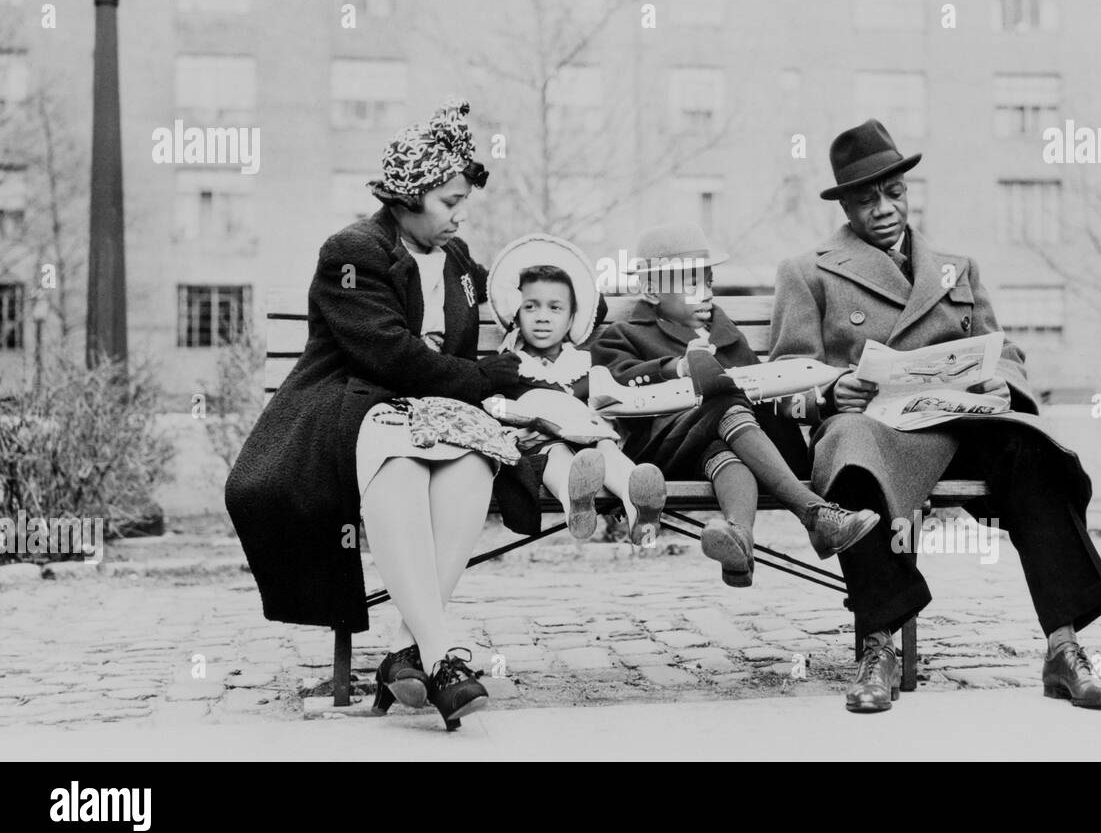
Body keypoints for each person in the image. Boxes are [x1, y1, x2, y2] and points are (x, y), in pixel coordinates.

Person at [768, 118, 1101, 713]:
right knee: (848, 448)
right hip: (877, 429)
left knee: (1032, 450)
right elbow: (783, 380)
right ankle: (878, 646)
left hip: (962, 422)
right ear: (846, 207)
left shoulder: (957, 267)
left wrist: (1000, 380)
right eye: (865, 199)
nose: (883, 208)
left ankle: (1064, 646)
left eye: (894, 192)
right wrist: (833, 392)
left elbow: (1004, 350)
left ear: (909, 191)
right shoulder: (808, 271)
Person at [225, 100, 531, 731]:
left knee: (474, 465)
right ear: (408, 195)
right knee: (403, 464)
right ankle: (443, 657)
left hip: (439, 412)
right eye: (449, 201)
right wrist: (482, 380)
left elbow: (495, 321)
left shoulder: (459, 260)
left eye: (464, 201)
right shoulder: (354, 251)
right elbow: (391, 356)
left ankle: (409, 654)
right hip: (355, 408)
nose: (460, 214)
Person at [590, 223, 879, 586]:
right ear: (651, 290)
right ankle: (815, 516)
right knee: (725, 395)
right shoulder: (625, 334)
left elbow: (763, 395)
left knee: (726, 438)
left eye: (709, 283)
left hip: (715, 451)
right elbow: (613, 385)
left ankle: (739, 540)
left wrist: (819, 402)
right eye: (692, 284)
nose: (707, 295)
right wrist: (675, 368)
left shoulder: (722, 334)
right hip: (660, 456)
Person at [483, 233, 668, 545]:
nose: (542, 317)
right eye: (531, 307)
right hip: (536, 444)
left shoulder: (582, 365)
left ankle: (640, 508)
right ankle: (577, 506)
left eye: (555, 308)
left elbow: (608, 400)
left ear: (572, 318)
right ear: (516, 313)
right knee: (555, 455)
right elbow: (492, 404)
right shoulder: (508, 366)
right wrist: (516, 413)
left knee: (605, 449)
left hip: (592, 442)